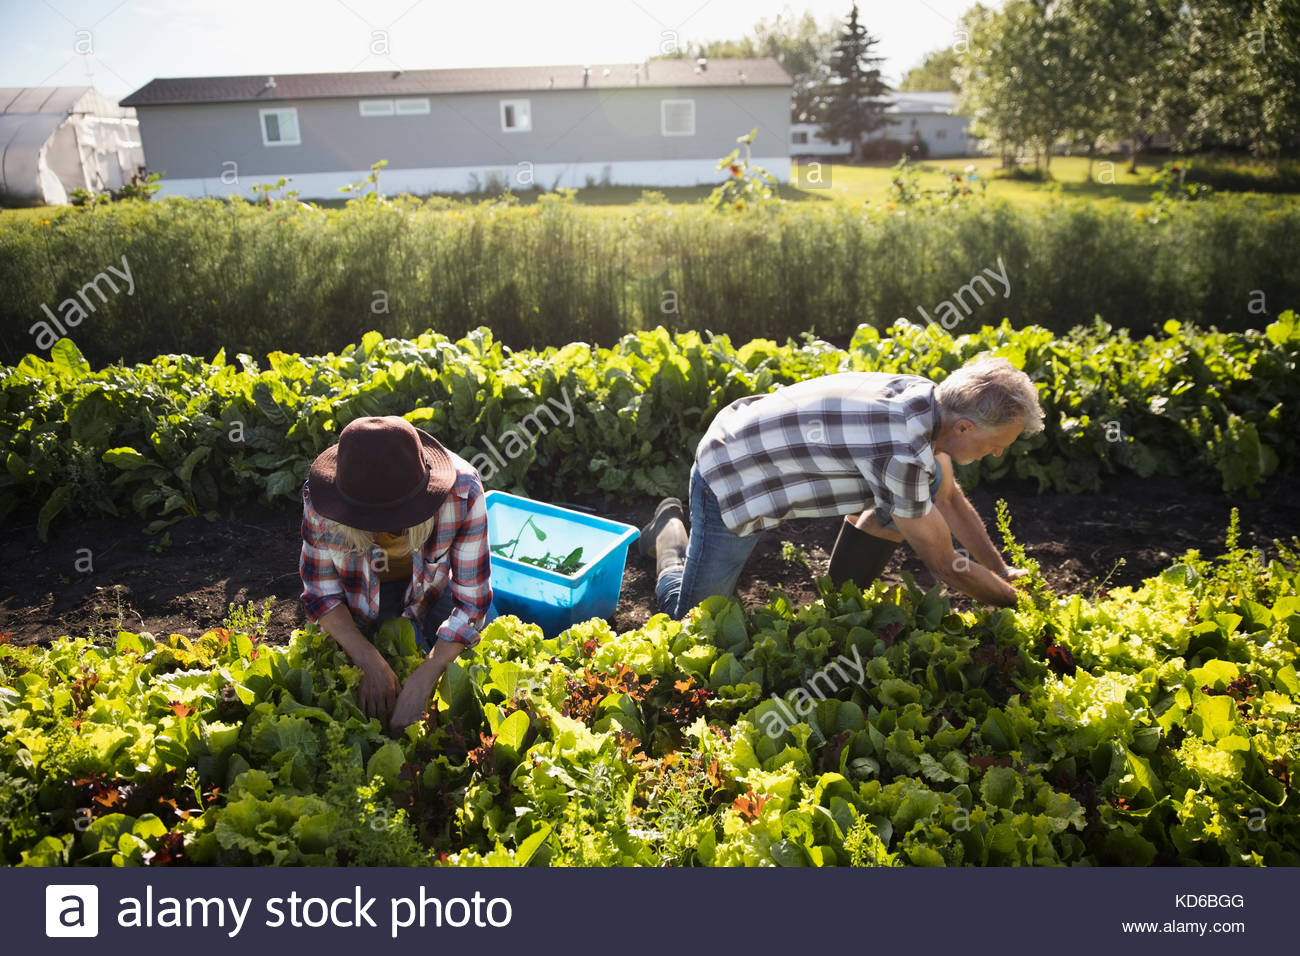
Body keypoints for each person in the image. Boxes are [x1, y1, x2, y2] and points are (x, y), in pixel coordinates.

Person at [642, 353, 1044, 618]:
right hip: (733, 476)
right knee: (693, 620)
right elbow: (945, 564)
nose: (995, 455)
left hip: (759, 443)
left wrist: (999, 570)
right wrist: (1016, 602)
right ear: (964, 426)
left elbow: (950, 498)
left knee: (933, 479)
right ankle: (667, 535)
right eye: (996, 445)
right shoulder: (901, 450)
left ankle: (837, 602)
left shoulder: (929, 400)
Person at [299, 415, 491, 732]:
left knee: (475, 658)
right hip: (363, 599)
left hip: (434, 587)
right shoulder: (322, 501)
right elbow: (321, 595)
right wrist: (367, 658)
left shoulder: (463, 492)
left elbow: (472, 603)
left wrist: (428, 673)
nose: (383, 530)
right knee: (394, 670)